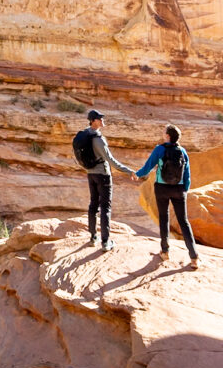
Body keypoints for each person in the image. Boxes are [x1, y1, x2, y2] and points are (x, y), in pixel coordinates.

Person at [135, 124, 199, 269]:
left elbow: (148, 166)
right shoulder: (182, 151)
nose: (163, 134)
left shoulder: (160, 149)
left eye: (164, 133)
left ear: (168, 136)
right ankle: (194, 257)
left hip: (162, 188)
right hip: (179, 189)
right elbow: (187, 175)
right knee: (184, 222)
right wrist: (185, 190)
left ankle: (165, 251)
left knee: (164, 218)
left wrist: (136, 174)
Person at [72, 108, 135, 250]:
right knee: (105, 207)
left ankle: (93, 237)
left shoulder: (85, 135)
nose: (102, 120)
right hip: (103, 175)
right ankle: (106, 242)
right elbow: (111, 161)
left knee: (93, 204)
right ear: (93, 121)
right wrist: (128, 170)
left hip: (90, 174)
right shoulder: (98, 139)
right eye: (99, 118)